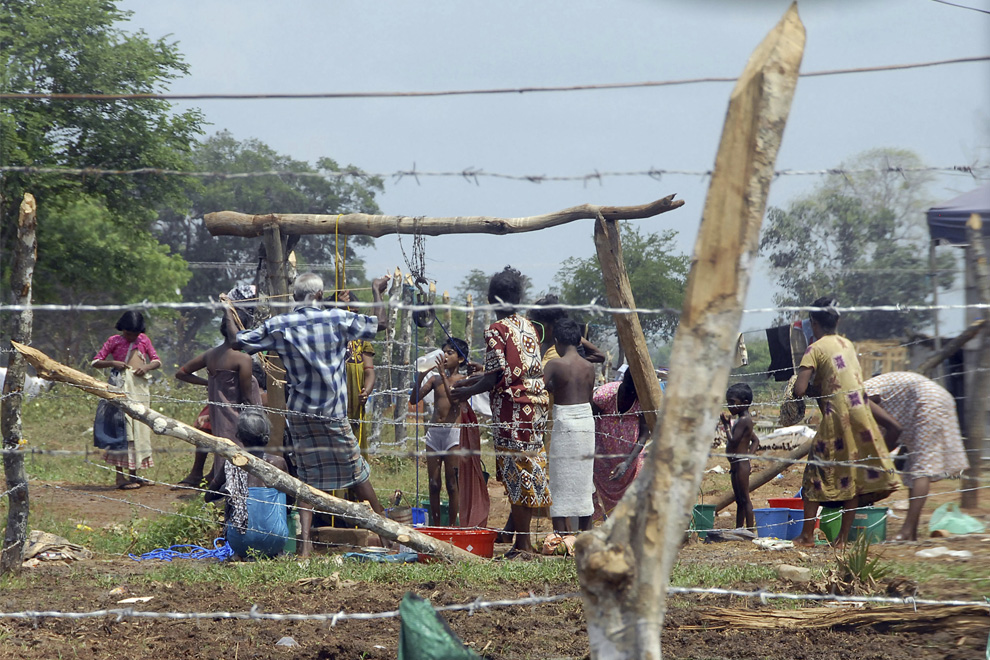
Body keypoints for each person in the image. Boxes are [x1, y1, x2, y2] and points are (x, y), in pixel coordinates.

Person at [230, 271, 391, 558]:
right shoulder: (338, 318)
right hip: (332, 413)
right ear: (319, 295)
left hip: (301, 413)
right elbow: (380, 324)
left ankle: (305, 548)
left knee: (307, 480)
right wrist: (377, 291)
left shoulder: (281, 324)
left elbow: (238, 342)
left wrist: (228, 311)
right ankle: (387, 536)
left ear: (294, 297)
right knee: (357, 472)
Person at [451, 266, 550, 557]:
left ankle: (524, 544)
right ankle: (523, 541)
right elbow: (512, 370)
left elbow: (496, 378)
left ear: (493, 299)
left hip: (512, 413)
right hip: (536, 410)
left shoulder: (496, 330)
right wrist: (476, 380)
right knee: (529, 471)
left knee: (515, 474)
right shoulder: (529, 326)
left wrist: (465, 391)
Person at [792, 297, 901, 548]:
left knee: (815, 473)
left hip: (835, 417)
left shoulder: (815, 348)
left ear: (813, 322)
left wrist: (806, 388)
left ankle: (807, 535)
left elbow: (799, 389)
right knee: (851, 474)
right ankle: (842, 539)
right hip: (859, 414)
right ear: (837, 320)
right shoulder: (848, 345)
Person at [864, 371, 969, 541]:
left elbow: (894, 428)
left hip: (927, 402)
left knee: (921, 466)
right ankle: (910, 532)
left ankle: (906, 531)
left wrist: (878, 460)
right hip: (924, 402)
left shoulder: (856, 399)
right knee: (914, 465)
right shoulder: (859, 392)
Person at [175, 316, 263, 488]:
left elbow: (182, 373)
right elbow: (247, 397)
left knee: (223, 454)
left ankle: (222, 493)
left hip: (218, 415)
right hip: (240, 418)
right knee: (242, 457)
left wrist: (209, 383)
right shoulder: (242, 359)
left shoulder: (210, 355)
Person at [207, 409, 290, 560]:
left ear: (239, 436)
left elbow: (209, 497)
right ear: (267, 434)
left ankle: (240, 554)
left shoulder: (232, 463)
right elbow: (291, 499)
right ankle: (277, 552)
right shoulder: (278, 463)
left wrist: (226, 488)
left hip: (240, 543)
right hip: (275, 540)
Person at [92, 311, 161, 489]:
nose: (131, 337)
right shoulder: (114, 340)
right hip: (119, 387)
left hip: (139, 389)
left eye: (134, 334)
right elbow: (96, 361)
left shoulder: (144, 340)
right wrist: (113, 363)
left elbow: (156, 361)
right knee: (123, 430)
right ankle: (120, 477)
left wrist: (146, 367)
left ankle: (134, 474)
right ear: (122, 329)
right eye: (128, 333)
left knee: (139, 428)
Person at [542, 318, 597, 536]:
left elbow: (541, 388)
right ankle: (585, 532)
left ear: (557, 342)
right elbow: (589, 397)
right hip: (586, 423)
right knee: (584, 479)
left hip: (564, 422)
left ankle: (561, 535)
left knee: (560, 478)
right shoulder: (589, 367)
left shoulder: (554, 364)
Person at [411, 337, 469, 526]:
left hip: (453, 433)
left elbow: (454, 401)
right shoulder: (434, 380)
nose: (444, 356)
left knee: (452, 484)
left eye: (449, 353)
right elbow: (414, 399)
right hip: (434, 433)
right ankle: (435, 524)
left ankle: (452, 525)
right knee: (434, 483)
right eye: (443, 352)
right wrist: (421, 375)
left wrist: (443, 376)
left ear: (460, 359)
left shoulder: (463, 380)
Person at [591, 367, 652, 519]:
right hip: (602, 463)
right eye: (627, 391)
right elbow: (589, 421)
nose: (629, 396)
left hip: (632, 462)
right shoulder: (605, 395)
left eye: (633, 394)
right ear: (622, 383)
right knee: (607, 507)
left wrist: (627, 463)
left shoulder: (643, 401)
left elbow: (644, 434)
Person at [336, 290, 376, 460]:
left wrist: (366, 391)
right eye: (351, 313)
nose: (354, 318)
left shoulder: (361, 338)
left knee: (356, 438)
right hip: (337, 400)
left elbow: (369, 370)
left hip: (356, 401)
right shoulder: (332, 335)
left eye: (357, 314)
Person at [721, 383, 759, 531]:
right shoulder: (741, 419)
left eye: (732, 402)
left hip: (741, 464)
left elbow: (734, 440)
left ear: (745, 403)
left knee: (745, 499)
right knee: (739, 500)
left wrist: (726, 426)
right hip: (737, 463)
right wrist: (749, 456)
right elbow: (755, 440)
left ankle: (749, 530)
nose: (729, 406)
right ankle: (739, 528)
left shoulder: (744, 420)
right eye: (728, 402)